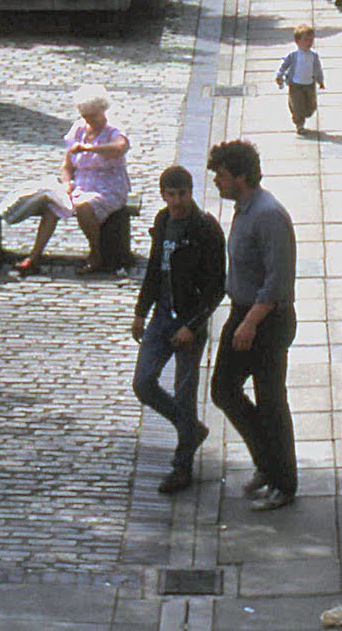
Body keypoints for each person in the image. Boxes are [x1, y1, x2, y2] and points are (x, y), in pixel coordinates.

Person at [209, 139, 298, 512]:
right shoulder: (244, 209)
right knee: (224, 390)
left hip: (265, 319)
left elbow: (277, 281)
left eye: (223, 176)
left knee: (271, 400)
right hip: (244, 311)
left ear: (242, 176)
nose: (217, 182)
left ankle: (283, 482)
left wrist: (249, 323)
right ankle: (266, 460)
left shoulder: (267, 215)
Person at [131, 166, 226, 495]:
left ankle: (181, 465)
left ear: (190, 192)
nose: (177, 201)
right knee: (143, 383)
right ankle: (191, 430)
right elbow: (155, 268)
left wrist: (193, 325)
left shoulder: (205, 229)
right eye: (170, 195)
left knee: (185, 393)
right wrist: (141, 312)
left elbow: (217, 286)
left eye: (182, 194)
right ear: (163, 195)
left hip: (189, 321)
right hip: (161, 315)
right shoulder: (162, 221)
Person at [15, 87, 130, 276]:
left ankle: (96, 254)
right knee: (52, 206)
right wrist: (67, 183)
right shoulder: (78, 128)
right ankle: (34, 257)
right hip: (81, 184)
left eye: (92, 116)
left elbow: (119, 148)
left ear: (102, 110)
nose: (89, 121)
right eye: (85, 116)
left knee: (84, 206)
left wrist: (90, 148)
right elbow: (67, 165)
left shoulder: (113, 129)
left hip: (108, 185)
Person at [276, 21, 325, 134]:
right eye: (306, 40)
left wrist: (320, 81)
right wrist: (279, 75)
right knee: (298, 106)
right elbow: (284, 65)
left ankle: (304, 113)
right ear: (297, 42)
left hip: (309, 84)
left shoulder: (313, 55)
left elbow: (317, 69)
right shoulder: (293, 55)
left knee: (311, 107)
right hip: (295, 84)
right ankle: (299, 123)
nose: (309, 43)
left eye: (311, 40)